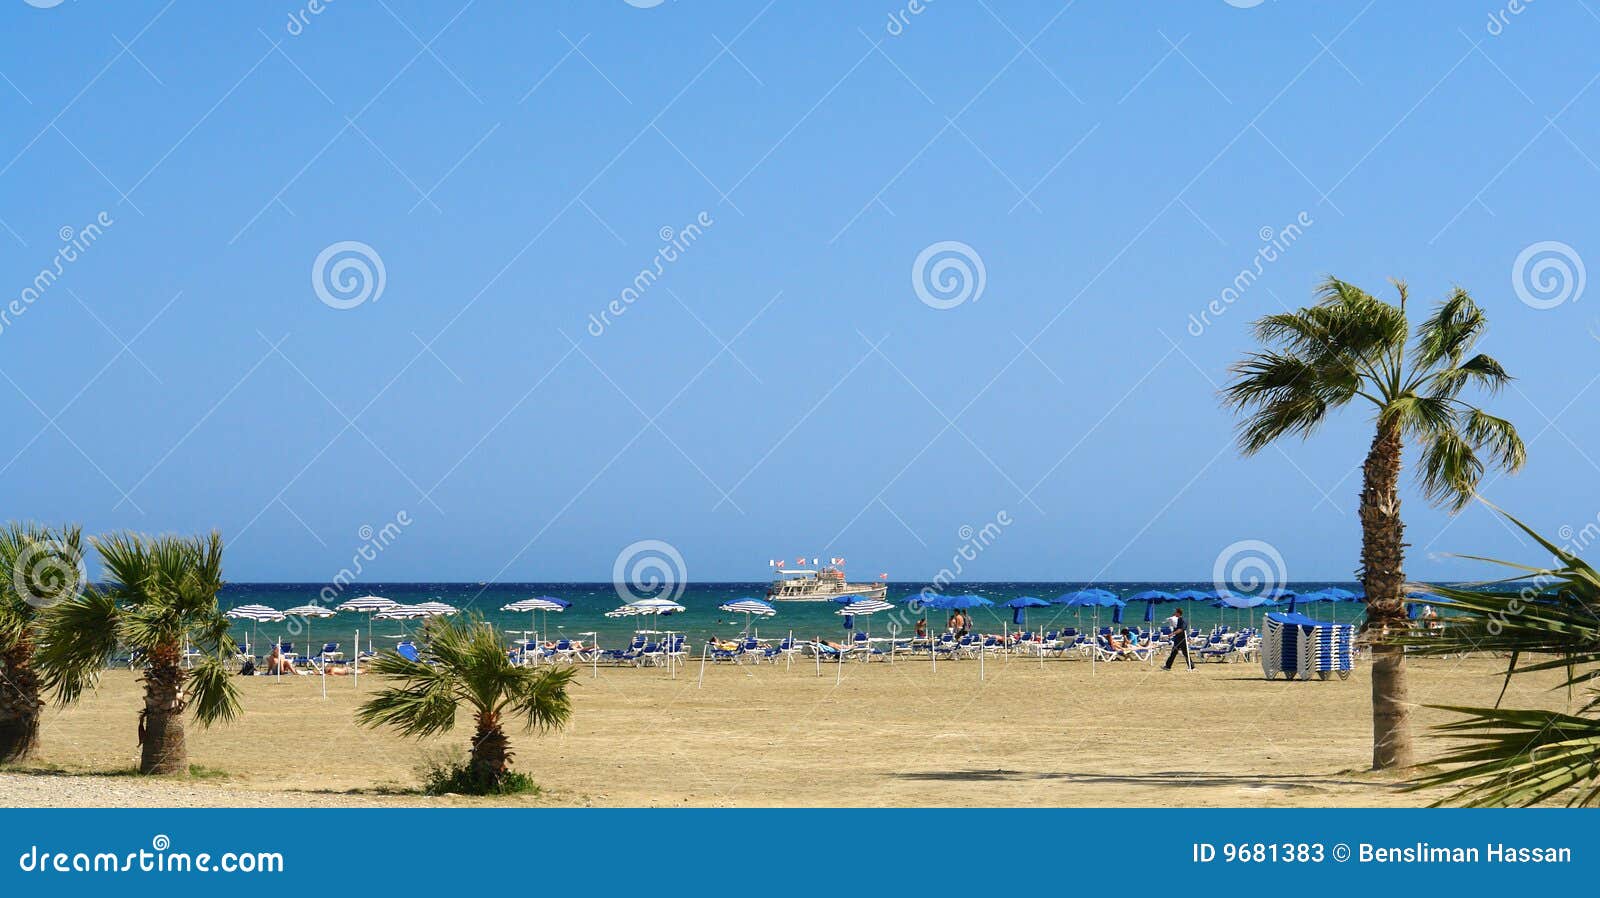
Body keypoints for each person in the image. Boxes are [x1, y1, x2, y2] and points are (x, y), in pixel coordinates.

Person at [1163, 606, 1193, 670]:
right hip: (1178, 638)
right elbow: (1177, 628)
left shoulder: (1182, 619)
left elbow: (1181, 629)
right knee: (1175, 652)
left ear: (1178, 613)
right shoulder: (1179, 619)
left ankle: (1191, 667)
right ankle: (1168, 666)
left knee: (1182, 653)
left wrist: (1172, 633)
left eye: (1175, 612)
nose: (1174, 613)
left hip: (1181, 639)